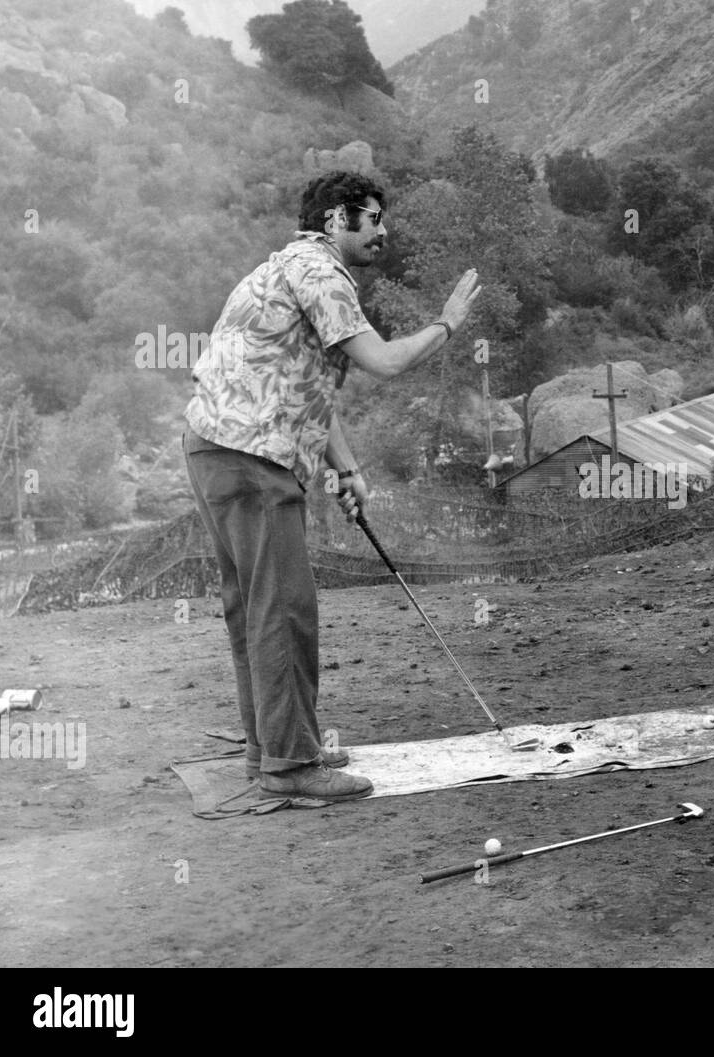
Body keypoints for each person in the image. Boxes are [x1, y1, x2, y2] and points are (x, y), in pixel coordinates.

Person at [184, 170, 481, 799]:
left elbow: (311, 385)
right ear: (333, 222)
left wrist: (345, 468)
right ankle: (292, 767)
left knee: (256, 609)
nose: (382, 231)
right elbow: (386, 362)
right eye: (371, 219)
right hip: (250, 458)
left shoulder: (291, 268)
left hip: (216, 450)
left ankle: (273, 754)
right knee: (284, 609)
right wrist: (448, 323)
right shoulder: (321, 272)